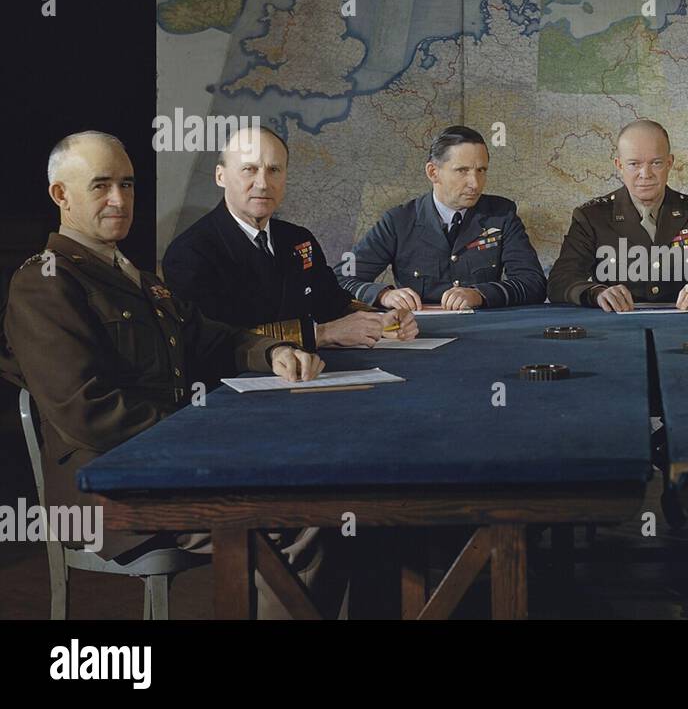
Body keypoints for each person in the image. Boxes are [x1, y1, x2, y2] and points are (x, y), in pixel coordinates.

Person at [0, 131, 340, 617]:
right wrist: (206, 431)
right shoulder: (45, 283)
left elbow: (211, 334)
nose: (119, 199)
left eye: (128, 184)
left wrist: (270, 352)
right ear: (61, 195)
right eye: (100, 186)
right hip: (108, 491)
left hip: (169, 469)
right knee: (300, 519)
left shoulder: (133, 277)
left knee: (319, 498)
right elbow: (89, 411)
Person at [163, 127, 415, 355]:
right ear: (221, 176)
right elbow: (211, 339)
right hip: (232, 391)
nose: (263, 184)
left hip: (314, 377)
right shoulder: (191, 252)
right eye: (249, 169)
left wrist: (381, 319)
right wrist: (321, 335)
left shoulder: (298, 240)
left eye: (274, 170)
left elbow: (332, 302)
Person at [548, 119, 688, 311]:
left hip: (683, 322)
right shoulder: (591, 217)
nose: (645, 174)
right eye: (634, 164)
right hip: (614, 326)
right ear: (619, 166)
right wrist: (597, 293)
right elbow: (560, 281)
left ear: (669, 163)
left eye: (656, 163)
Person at [335, 125, 546, 311]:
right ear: (433, 172)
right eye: (462, 171)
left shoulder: (501, 214)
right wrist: (383, 295)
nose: (475, 183)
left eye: (481, 170)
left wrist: (480, 294)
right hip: (418, 336)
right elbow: (340, 279)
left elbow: (533, 283)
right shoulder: (398, 221)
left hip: (483, 333)